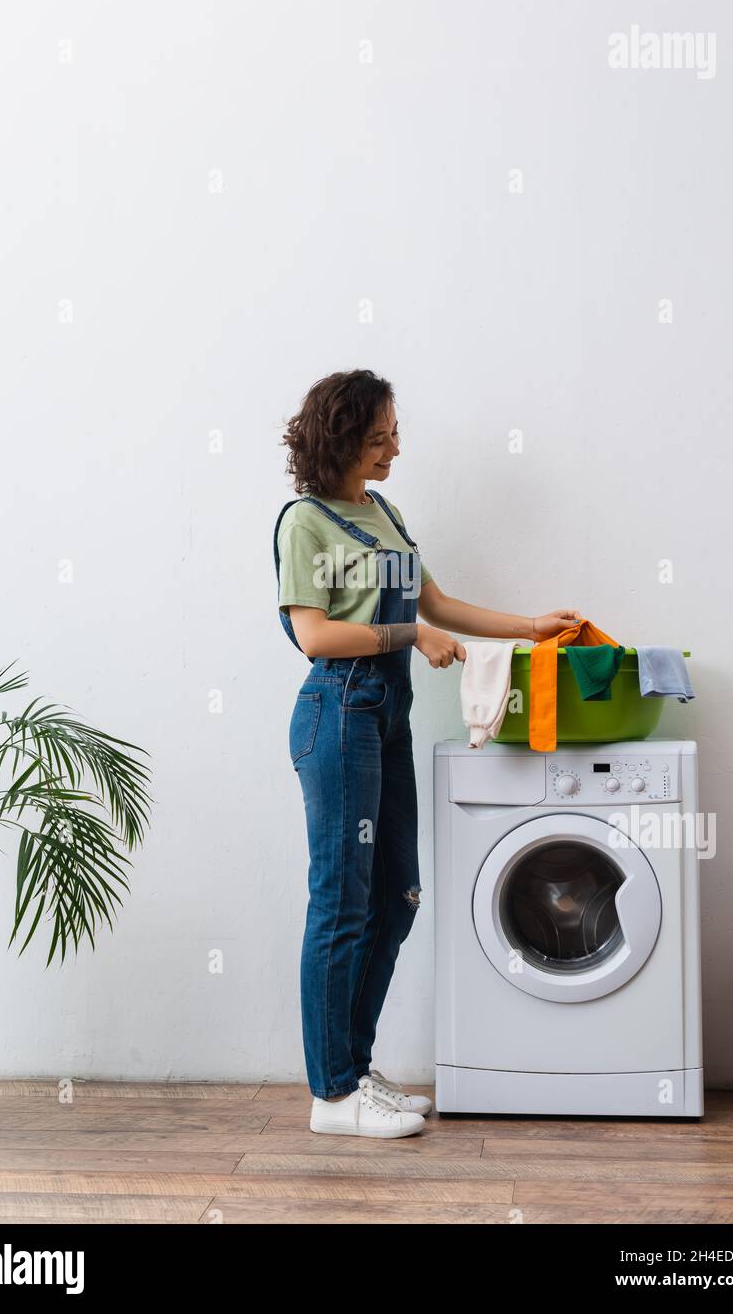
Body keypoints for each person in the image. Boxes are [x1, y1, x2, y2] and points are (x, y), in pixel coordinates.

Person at [273, 369, 582, 1138]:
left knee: (395, 898)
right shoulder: (304, 522)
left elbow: (434, 602)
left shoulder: (381, 511)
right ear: (340, 438)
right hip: (338, 711)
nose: (393, 448)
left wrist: (527, 626)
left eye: (394, 434)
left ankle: (355, 1069)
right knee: (341, 902)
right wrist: (408, 636)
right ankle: (332, 1095)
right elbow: (314, 635)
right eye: (378, 437)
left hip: (385, 717)